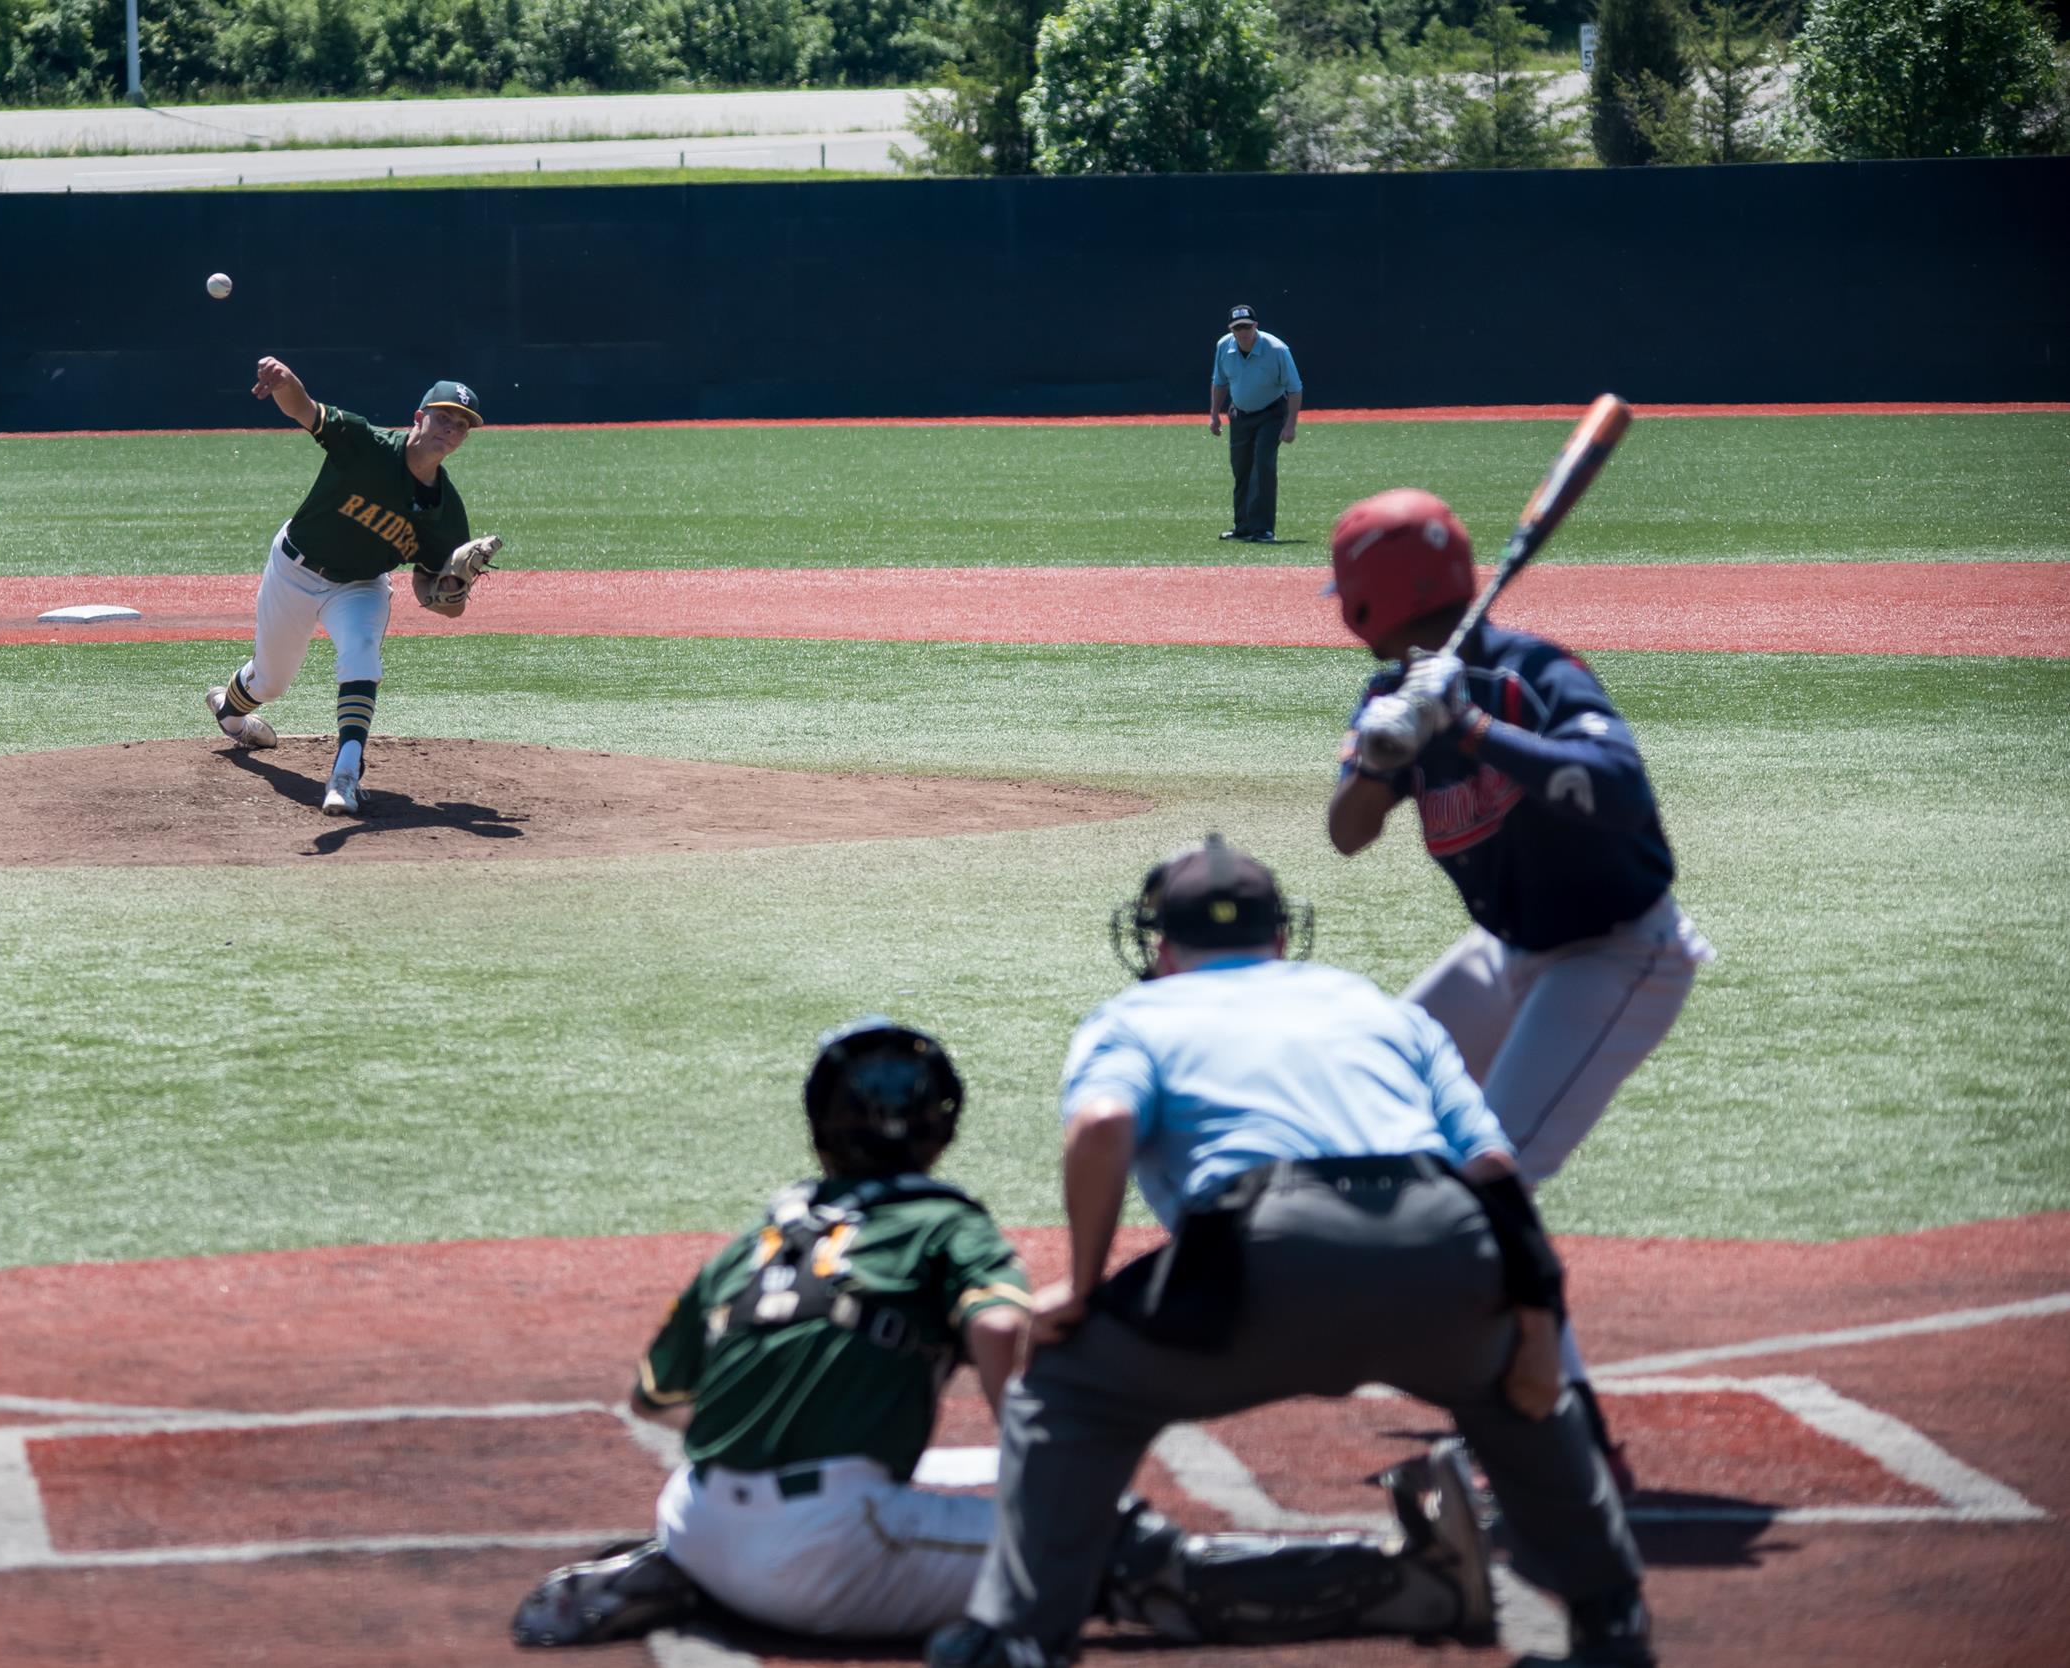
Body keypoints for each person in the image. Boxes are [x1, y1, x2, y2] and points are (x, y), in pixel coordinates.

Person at [510, 1020, 1493, 1654]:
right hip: (818, 1560)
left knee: (934, 1471)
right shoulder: (946, 1223)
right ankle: (1409, 1589)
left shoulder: (765, 1230)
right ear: (940, 1126)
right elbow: (1000, 1346)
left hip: (693, 1512)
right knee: (1101, 1537)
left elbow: (659, 1401)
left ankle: (682, 1566)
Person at [930, 836, 1655, 1668]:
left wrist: (1084, 1285)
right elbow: (1494, 1171)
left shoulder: (1136, 1015)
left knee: (1065, 1389)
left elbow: (1100, 1127)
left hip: (1264, 1254)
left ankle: (1018, 1637)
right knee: (1517, 1394)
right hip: (1441, 1246)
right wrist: (1531, 1333)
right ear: (1281, 937)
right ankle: (1612, 1624)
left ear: (1160, 946)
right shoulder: (1376, 1006)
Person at [1326, 486, 1713, 1492]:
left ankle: (1570, 1436)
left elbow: (1619, 787)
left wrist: (1472, 734)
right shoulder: (1393, 694)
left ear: (1368, 597)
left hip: (1617, 954)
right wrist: (1387, 750)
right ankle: (1432, 1333)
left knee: (1480, 1194)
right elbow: (1347, 829)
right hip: (1508, 954)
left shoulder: (1533, 671)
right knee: (1362, 1093)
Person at [205, 357, 502, 816]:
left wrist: (449, 592)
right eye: (444, 416)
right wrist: (286, 383)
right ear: (419, 418)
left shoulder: (447, 514)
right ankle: (230, 712)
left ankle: (345, 772)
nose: (451, 428)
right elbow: (304, 410)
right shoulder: (366, 444)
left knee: (362, 652)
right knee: (272, 679)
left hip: (360, 586)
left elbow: (435, 597)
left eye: (461, 425)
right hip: (294, 569)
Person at [1208, 304, 1302, 544]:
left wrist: (1290, 424)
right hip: (1239, 414)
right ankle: (1243, 527)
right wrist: (1214, 414)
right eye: (1237, 327)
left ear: (1256, 326)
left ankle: (1263, 529)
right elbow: (1219, 382)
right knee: (1241, 469)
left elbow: (1294, 389)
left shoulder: (1277, 349)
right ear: (1231, 330)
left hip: (1271, 413)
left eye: (1247, 326)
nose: (1243, 332)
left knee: (1262, 465)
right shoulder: (1224, 347)